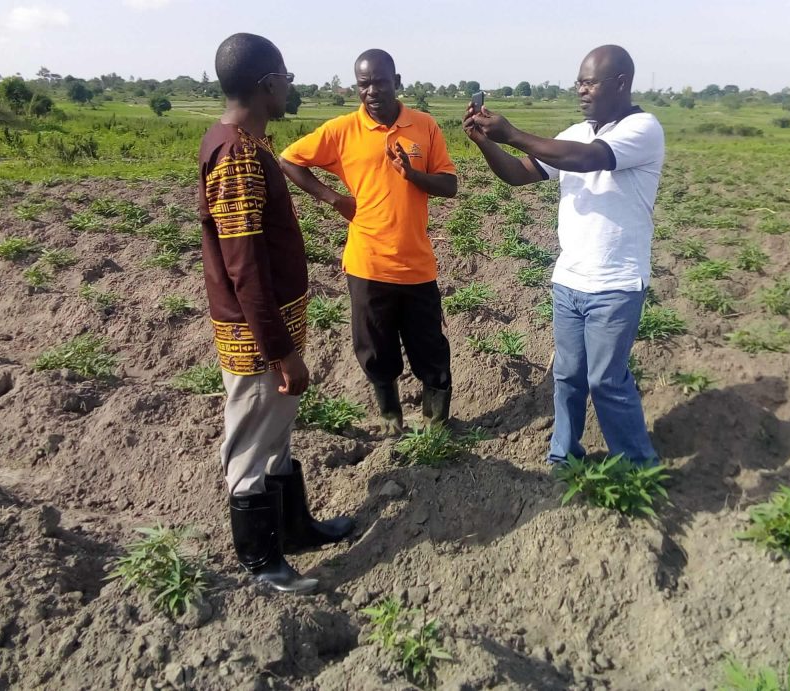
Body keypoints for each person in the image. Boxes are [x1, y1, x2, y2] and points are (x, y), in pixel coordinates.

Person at [200, 33, 353, 594]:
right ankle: (262, 562)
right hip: (257, 335)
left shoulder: (249, 143)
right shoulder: (237, 155)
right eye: (285, 76)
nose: (290, 84)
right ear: (266, 85)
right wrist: (281, 351)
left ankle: (296, 530)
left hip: (275, 326)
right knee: (249, 444)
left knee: (276, 430)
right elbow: (245, 270)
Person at [463, 45, 663, 466]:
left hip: (616, 283)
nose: (581, 91)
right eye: (579, 82)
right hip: (570, 280)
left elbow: (592, 159)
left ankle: (637, 466)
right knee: (568, 377)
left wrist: (514, 132)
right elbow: (520, 175)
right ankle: (563, 457)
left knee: (606, 381)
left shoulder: (643, 129)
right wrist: (486, 143)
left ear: (621, 83)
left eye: (590, 82)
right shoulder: (574, 132)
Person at [280, 49, 457, 434]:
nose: (372, 90)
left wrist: (414, 175)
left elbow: (450, 184)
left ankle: (436, 427)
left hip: (416, 264)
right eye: (364, 84)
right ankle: (392, 423)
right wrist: (336, 200)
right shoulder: (342, 131)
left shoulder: (424, 126)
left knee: (430, 348)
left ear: (397, 81)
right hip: (367, 264)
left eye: (380, 81)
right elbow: (289, 160)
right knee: (375, 350)